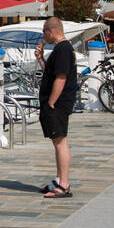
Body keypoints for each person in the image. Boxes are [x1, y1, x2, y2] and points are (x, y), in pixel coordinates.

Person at [34, 16, 79, 198]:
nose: (45, 38)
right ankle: (58, 180)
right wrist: (41, 59)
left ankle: (64, 184)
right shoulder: (61, 49)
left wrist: (52, 102)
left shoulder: (62, 49)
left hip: (58, 104)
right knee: (57, 141)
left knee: (60, 142)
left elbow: (61, 78)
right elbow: (51, 74)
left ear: (50, 32)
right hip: (56, 103)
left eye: (45, 34)